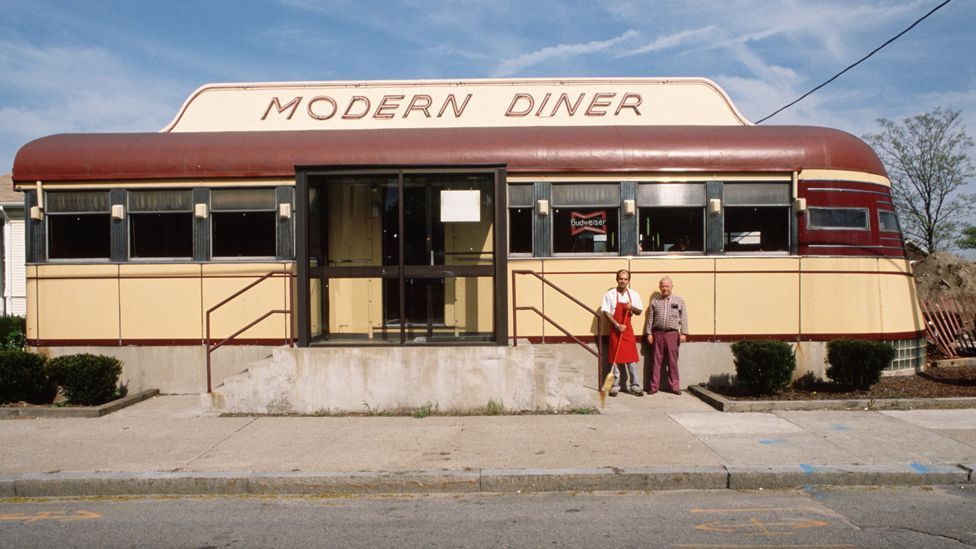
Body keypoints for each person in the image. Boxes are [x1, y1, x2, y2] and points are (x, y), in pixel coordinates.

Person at [601, 269, 644, 396]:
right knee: (615, 360)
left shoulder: (634, 295)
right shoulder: (610, 295)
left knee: (631, 360)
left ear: (628, 280)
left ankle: (635, 385)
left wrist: (632, 307)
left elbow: (639, 311)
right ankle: (614, 385)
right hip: (616, 330)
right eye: (621, 278)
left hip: (628, 331)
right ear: (617, 279)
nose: (623, 281)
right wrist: (616, 325)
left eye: (625, 279)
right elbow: (606, 312)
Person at [645, 276, 688, 395]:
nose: (665, 288)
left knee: (672, 361)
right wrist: (648, 333)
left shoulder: (679, 300)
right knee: (655, 361)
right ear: (660, 287)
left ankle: (674, 387)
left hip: (672, 334)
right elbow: (650, 319)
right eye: (662, 286)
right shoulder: (655, 301)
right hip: (657, 333)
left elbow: (683, 317)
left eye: (667, 286)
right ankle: (653, 387)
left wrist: (684, 333)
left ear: (671, 287)